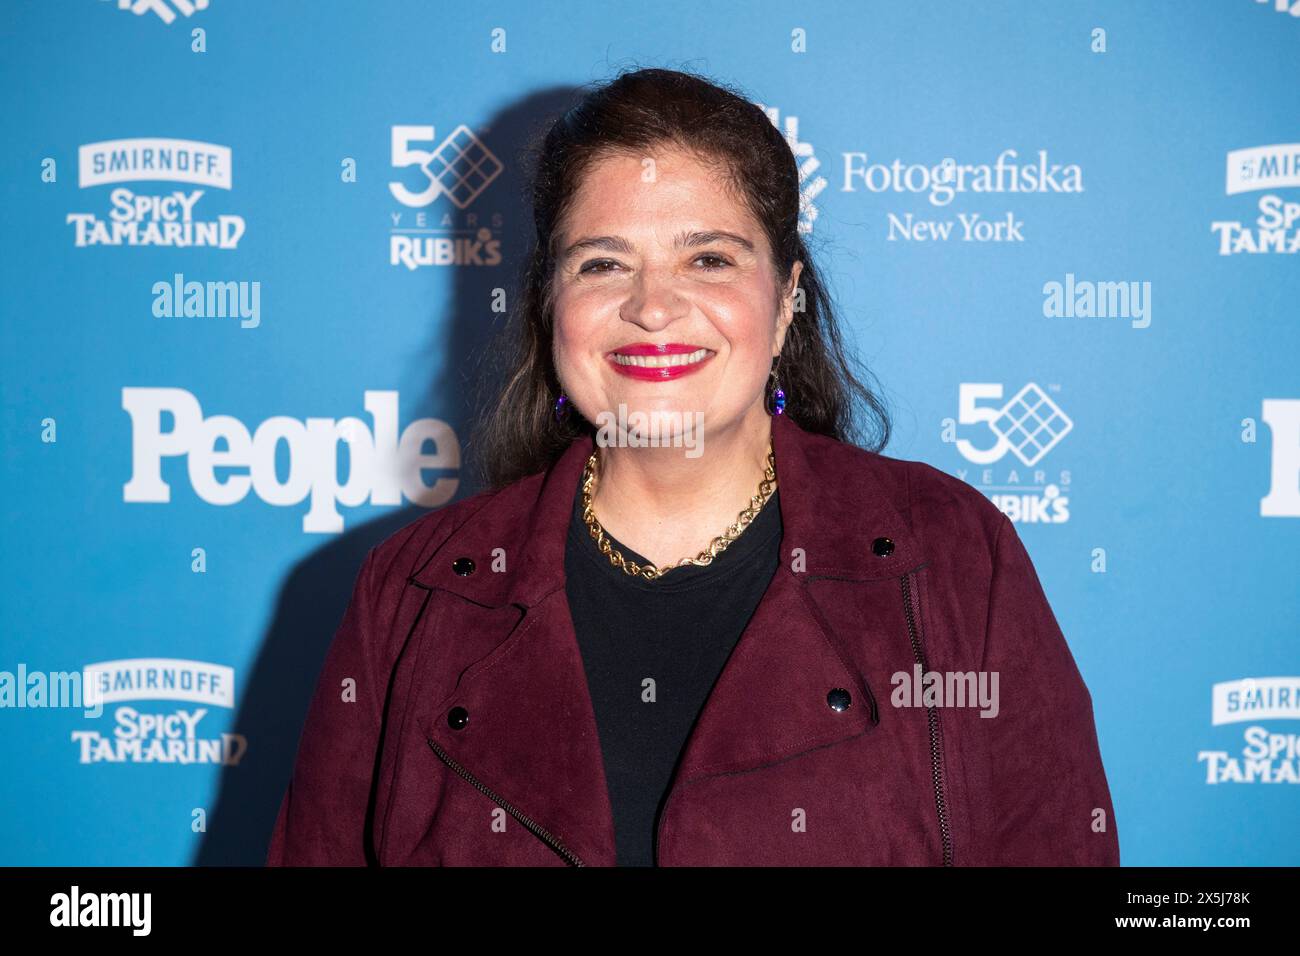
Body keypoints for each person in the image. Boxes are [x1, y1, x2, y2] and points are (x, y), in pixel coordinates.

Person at [266, 67, 1119, 867]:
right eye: (603, 263)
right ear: (550, 303)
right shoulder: (410, 592)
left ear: (786, 299)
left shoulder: (955, 556)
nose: (652, 307)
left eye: (708, 258)